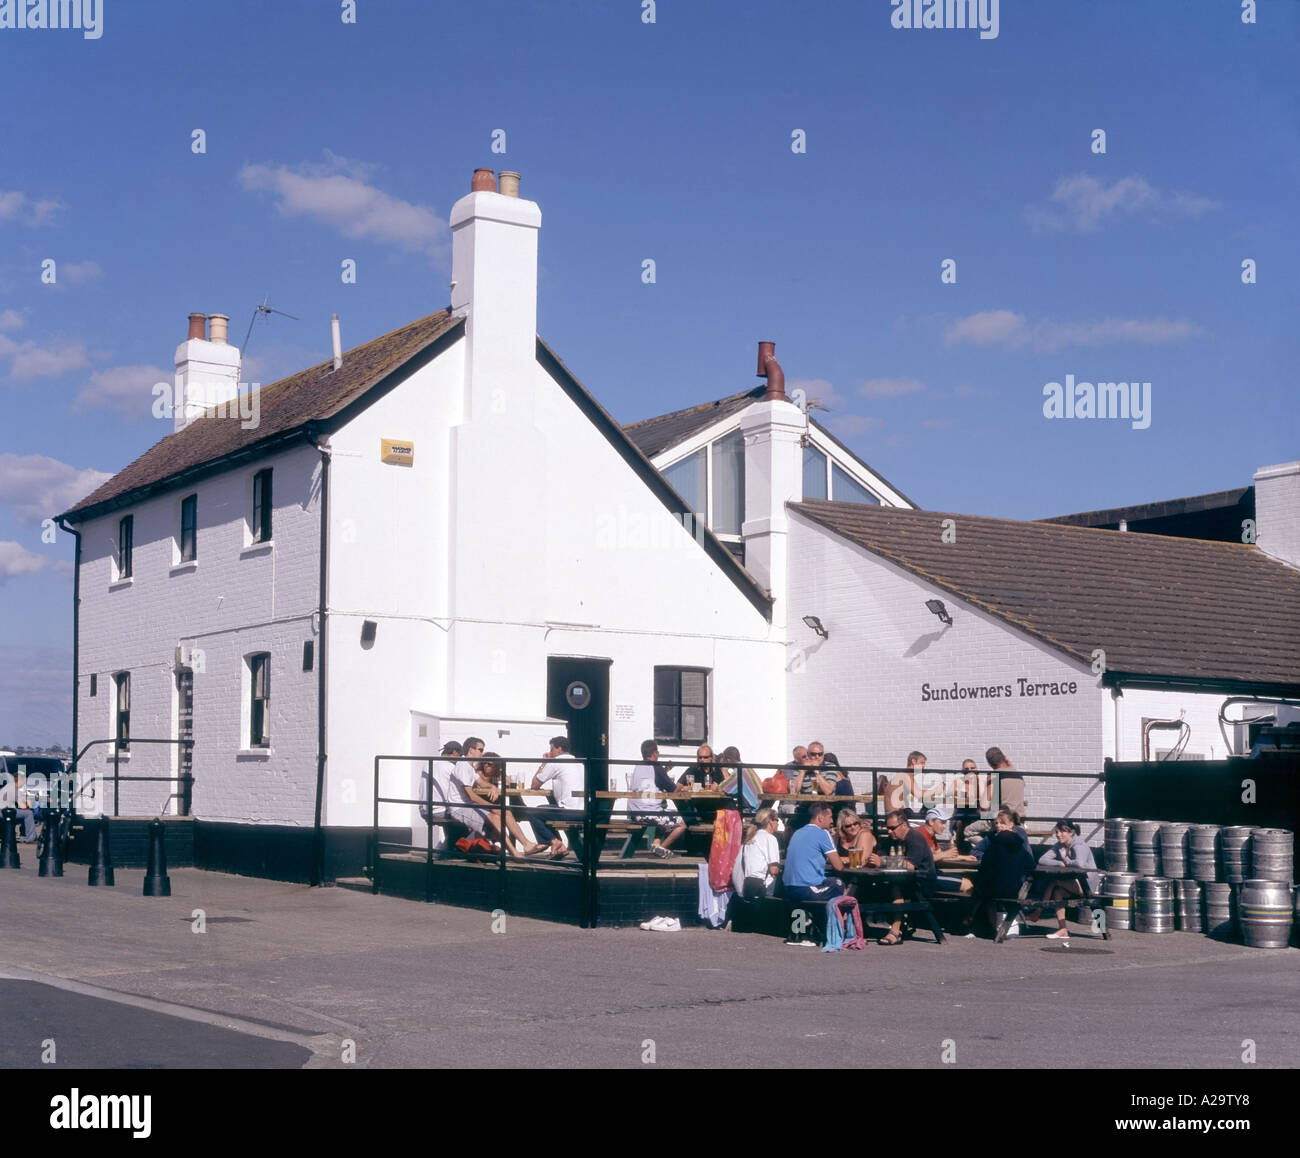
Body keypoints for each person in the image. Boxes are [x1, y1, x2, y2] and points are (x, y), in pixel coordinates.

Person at [448, 740, 549, 858]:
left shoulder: (469, 767)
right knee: (495, 816)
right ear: (471, 750)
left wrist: (492, 787)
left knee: (505, 811)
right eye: (480, 750)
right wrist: (492, 807)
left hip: (469, 806)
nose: (482, 753)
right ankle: (514, 852)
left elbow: (481, 783)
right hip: (459, 808)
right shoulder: (463, 766)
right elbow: (472, 796)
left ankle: (526, 845)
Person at [867, 808, 937, 945]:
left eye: (892, 828)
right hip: (905, 880)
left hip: (922, 882)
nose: (889, 831)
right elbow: (880, 855)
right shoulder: (891, 840)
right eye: (887, 828)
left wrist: (883, 862)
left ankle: (895, 930)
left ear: (904, 825)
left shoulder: (915, 838)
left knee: (895, 885)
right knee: (868, 885)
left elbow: (910, 865)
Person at [969, 808, 1036, 938]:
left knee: (981, 888)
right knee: (985, 887)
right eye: (997, 823)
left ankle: (976, 921)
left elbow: (986, 861)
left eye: (1001, 823)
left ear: (1011, 825)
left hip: (1002, 885)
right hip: (1014, 884)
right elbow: (1030, 862)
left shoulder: (998, 839)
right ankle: (991, 926)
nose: (998, 826)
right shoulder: (1001, 837)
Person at [1028, 820, 1100, 940]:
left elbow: (1080, 864)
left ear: (1071, 833)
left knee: (1054, 882)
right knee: (1057, 892)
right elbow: (1042, 859)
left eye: (1062, 832)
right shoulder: (1060, 845)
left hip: (1087, 884)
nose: (1058, 834)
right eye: (1057, 832)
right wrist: (1060, 863)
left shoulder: (1079, 845)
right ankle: (1062, 929)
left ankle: (1037, 912)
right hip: (1074, 882)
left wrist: (1066, 861)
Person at [629, 739, 687, 858]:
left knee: (664, 813)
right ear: (654, 753)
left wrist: (665, 770)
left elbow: (653, 780)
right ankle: (662, 848)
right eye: (658, 752)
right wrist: (682, 786)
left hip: (634, 812)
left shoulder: (638, 766)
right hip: (648, 812)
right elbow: (673, 791)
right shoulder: (656, 767)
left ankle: (656, 843)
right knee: (683, 823)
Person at [529, 736, 583, 859]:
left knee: (532, 812)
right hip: (584, 810)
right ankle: (561, 847)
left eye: (552, 749)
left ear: (559, 749)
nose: (550, 752)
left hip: (569, 811)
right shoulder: (580, 763)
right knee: (543, 810)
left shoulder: (556, 761)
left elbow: (535, 784)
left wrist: (544, 763)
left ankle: (554, 842)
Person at [782, 802, 845, 907]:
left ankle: (807, 920)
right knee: (839, 884)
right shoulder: (823, 833)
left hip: (788, 887)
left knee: (828, 881)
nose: (832, 821)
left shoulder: (798, 832)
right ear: (820, 818)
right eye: (830, 817)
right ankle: (835, 920)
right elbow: (839, 866)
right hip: (805, 888)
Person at [918, 808, 975, 895]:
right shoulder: (920, 835)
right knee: (966, 884)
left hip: (931, 873)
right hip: (925, 876)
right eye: (942, 822)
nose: (944, 826)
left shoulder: (930, 835)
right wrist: (945, 854)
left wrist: (964, 858)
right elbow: (922, 859)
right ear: (931, 822)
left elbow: (941, 855)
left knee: (968, 880)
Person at [731, 807, 782, 898]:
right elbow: (774, 870)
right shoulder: (770, 838)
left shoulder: (750, 838)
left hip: (743, 886)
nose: (778, 823)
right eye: (777, 820)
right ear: (770, 821)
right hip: (759, 887)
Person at [986, 746, 1027, 820]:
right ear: (1004, 758)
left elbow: (986, 804)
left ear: (990, 764)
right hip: (1020, 819)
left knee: (969, 829)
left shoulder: (994, 776)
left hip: (1004, 820)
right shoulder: (1019, 776)